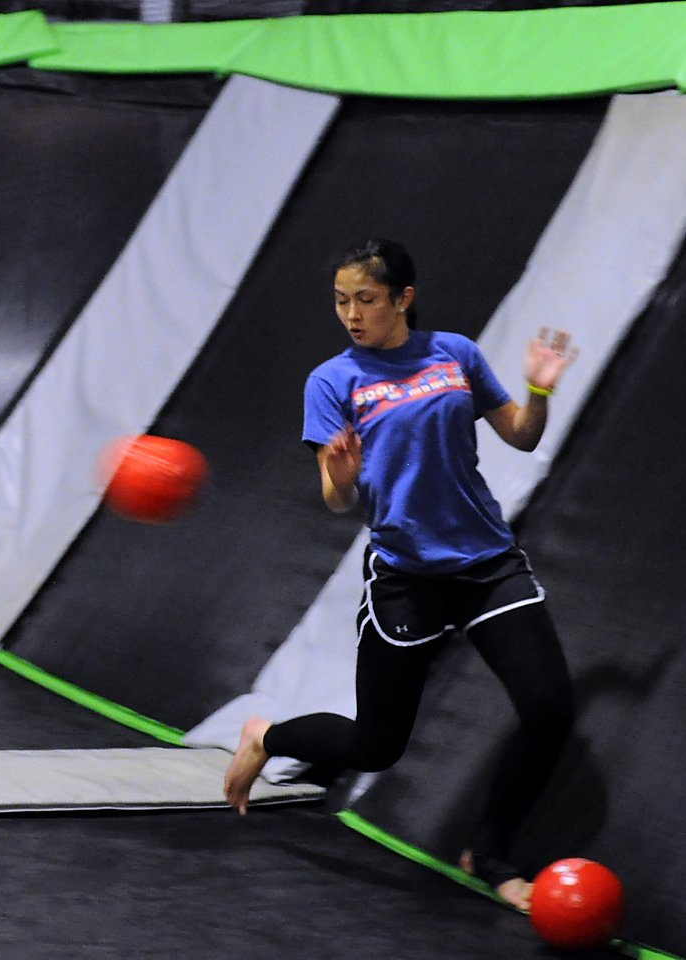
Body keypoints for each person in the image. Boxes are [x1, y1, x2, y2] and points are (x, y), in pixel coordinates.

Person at [225, 238, 578, 911]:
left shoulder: (455, 355)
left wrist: (537, 389)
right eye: (340, 300)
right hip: (406, 577)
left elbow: (522, 435)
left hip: (486, 563)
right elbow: (334, 499)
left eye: (365, 299)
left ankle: (490, 853)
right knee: (374, 745)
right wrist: (341, 474)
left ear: (402, 299)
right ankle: (265, 736)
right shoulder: (331, 381)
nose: (351, 314)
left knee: (549, 709)